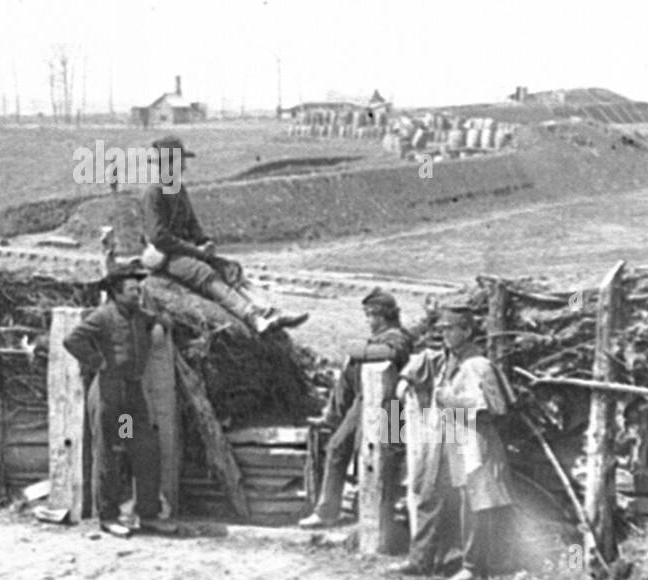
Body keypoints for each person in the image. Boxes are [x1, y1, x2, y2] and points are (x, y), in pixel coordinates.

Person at [389, 304, 516, 580]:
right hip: (448, 432)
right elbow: (424, 360)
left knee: (474, 500)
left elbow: (496, 409)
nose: (444, 334)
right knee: (430, 490)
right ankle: (420, 560)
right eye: (442, 329)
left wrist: (451, 400)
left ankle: (473, 568)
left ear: (467, 331)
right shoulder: (448, 358)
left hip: (470, 435)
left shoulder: (477, 364)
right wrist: (406, 378)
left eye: (450, 329)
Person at [141, 135, 307, 335]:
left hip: (188, 249)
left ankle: (268, 310)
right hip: (169, 255)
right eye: (180, 160)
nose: (184, 166)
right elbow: (158, 236)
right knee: (203, 272)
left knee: (230, 269)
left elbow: (192, 223)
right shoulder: (153, 193)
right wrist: (195, 250)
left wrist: (204, 241)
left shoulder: (179, 189)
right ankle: (252, 317)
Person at [62, 262, 177, 539]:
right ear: (116, 292)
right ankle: (108, 517)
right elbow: (72, 340)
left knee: (143, 448)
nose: (137, 294)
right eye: (131, 290)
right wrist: (98, 362)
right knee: (108, 454)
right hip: (108, 395)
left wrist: (161, 323)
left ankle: (147, 514)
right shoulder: (103, 317)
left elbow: (161, 319)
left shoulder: (139, 315)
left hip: (131, 400)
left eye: (138, 290)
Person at [299, 288, 413, 528]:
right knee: (337, 447)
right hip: (364, 403)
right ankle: (327, 511)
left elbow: (395, 352)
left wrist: (357, 351)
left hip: (393, 408)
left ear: (380, 316)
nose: (368, 321)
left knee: (387, 456)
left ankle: (384, 517)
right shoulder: (380, 337)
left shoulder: (397, 336)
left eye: (370, 315)